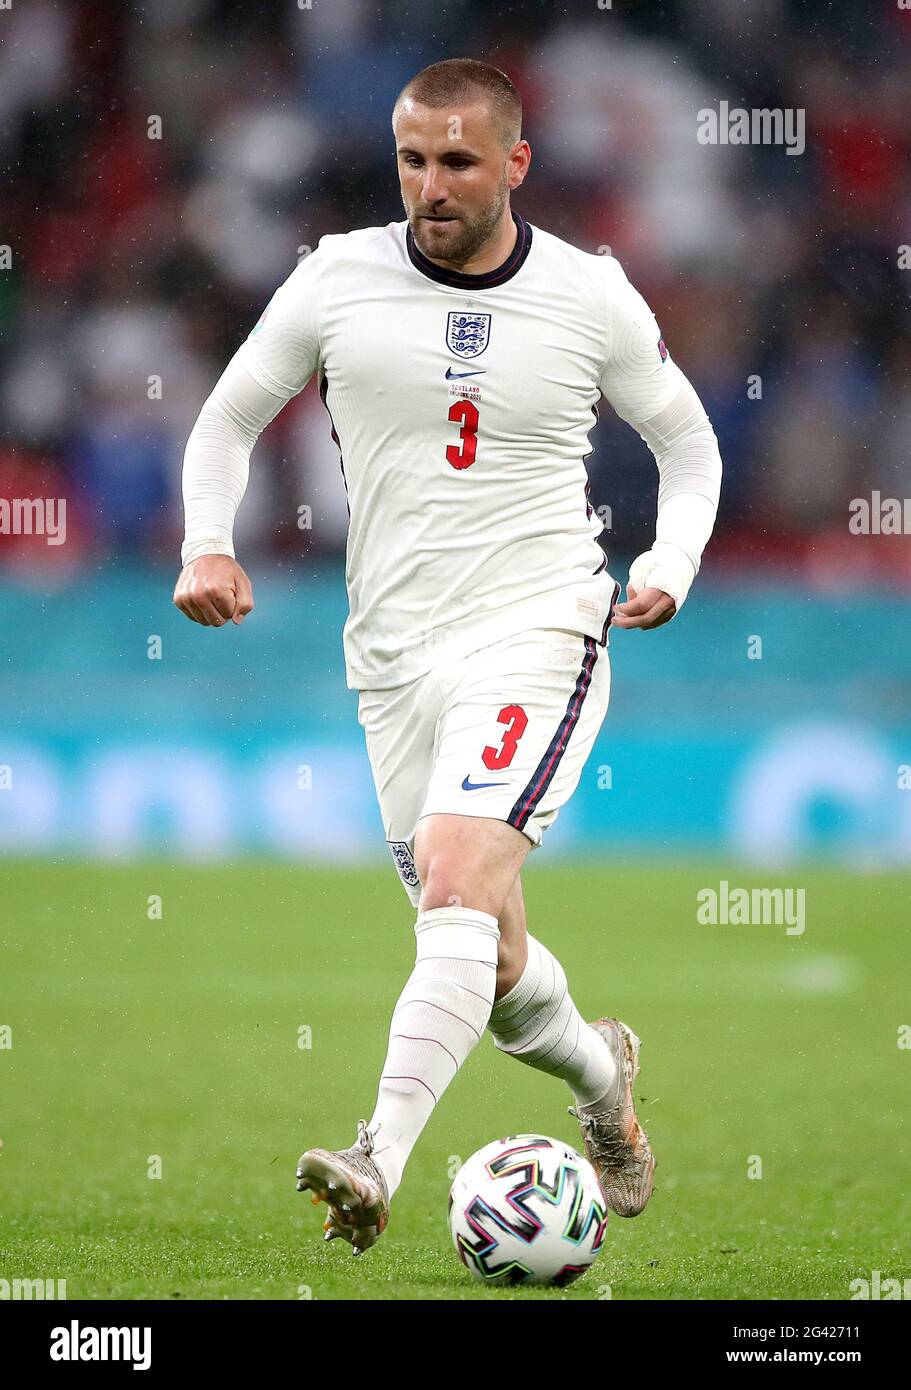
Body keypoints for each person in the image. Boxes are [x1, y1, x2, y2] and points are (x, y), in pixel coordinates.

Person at [174, 58, 722, 1255]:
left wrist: (669, 561)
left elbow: (687, 445)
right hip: (390, 655)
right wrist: (205, 544)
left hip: (538, 624)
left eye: (459, 161)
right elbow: (225, 419)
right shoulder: (335, 277)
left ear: (514, 164)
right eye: (414, 160)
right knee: (493, 951)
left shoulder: (588, 296)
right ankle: (601, 1079)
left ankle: (375, 1154)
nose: (431, 184)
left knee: (460, 878)